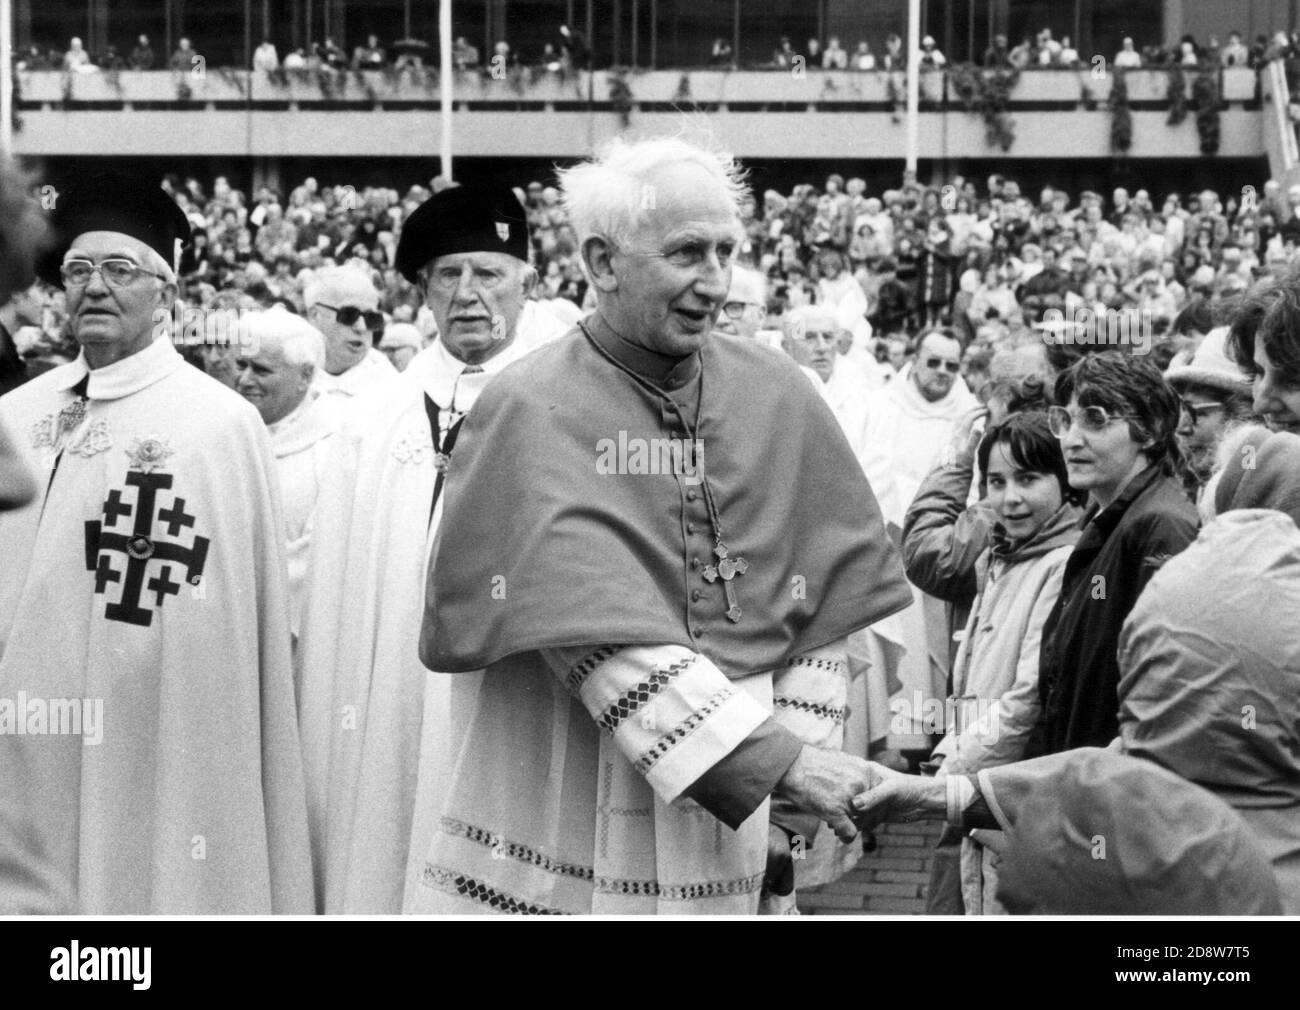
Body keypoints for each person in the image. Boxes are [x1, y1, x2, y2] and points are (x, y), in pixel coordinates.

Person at [410, 137, 912, 914]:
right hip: (578, 786)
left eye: (727, 251)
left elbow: (823, 617)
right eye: (687, 253)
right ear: (602, 263)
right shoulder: (528, 409)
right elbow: (595, 637)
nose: (715, 282)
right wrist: (778, 764)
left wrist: (786, 802)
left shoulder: (781, 392)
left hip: (749, 822)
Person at [0, 173, 312, 913]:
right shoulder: (17, 413)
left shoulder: (217, 425)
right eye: (78, 271)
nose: (94, 289)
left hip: (161, 721)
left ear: (167, 294)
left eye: (120, 270)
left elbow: (236, 620)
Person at [296, 185, 568, 914]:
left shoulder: (564, 406)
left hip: (511, 689)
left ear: (528, 285)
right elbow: (336, 597)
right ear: (423, 291)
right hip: (387, 694)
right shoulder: (375, 417)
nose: (469, 295)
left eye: (489, 274)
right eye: (449, 275)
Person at [854, 509, 1300, 914]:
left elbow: (1082, 786)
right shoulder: (1162, 766)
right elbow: (1083, 776)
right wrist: (930, 794)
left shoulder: (1146, 800)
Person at [925, 412, 1082, 914]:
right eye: (996, 482)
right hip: (978, 775)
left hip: (1009, 782)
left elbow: (1026, 696)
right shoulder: (1002, 554)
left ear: (1064, 483)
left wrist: (955, 765)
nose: (1010, 497)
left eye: (1028, 479)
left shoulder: (1061, 564)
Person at [1032, 352, 1198, 757]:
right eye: (1067, 420)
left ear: (1153, 429)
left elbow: (1166, 690)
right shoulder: (1109, 516)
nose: (1072, 439)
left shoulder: (1162, 524)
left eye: (1096, 419)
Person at [233, 309, 334, 638]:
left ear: (305, 375)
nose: (245, 380)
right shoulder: (227, 430)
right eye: (241, 365)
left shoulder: (333, 448)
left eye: (261, 370)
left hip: (293, 634)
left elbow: (319, 560)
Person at [1165, 326, 1255, 515]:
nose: (1181, 428)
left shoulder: (1253, 490)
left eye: (1196, 412)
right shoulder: (1194, 485)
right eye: (1181, 409)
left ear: (1241, 415)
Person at [303, 264, 396, 401]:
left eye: (371, 318)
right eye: (349, 315)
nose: (361, 327)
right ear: (315, 315)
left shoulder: (390, 384)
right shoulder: (287, 371)